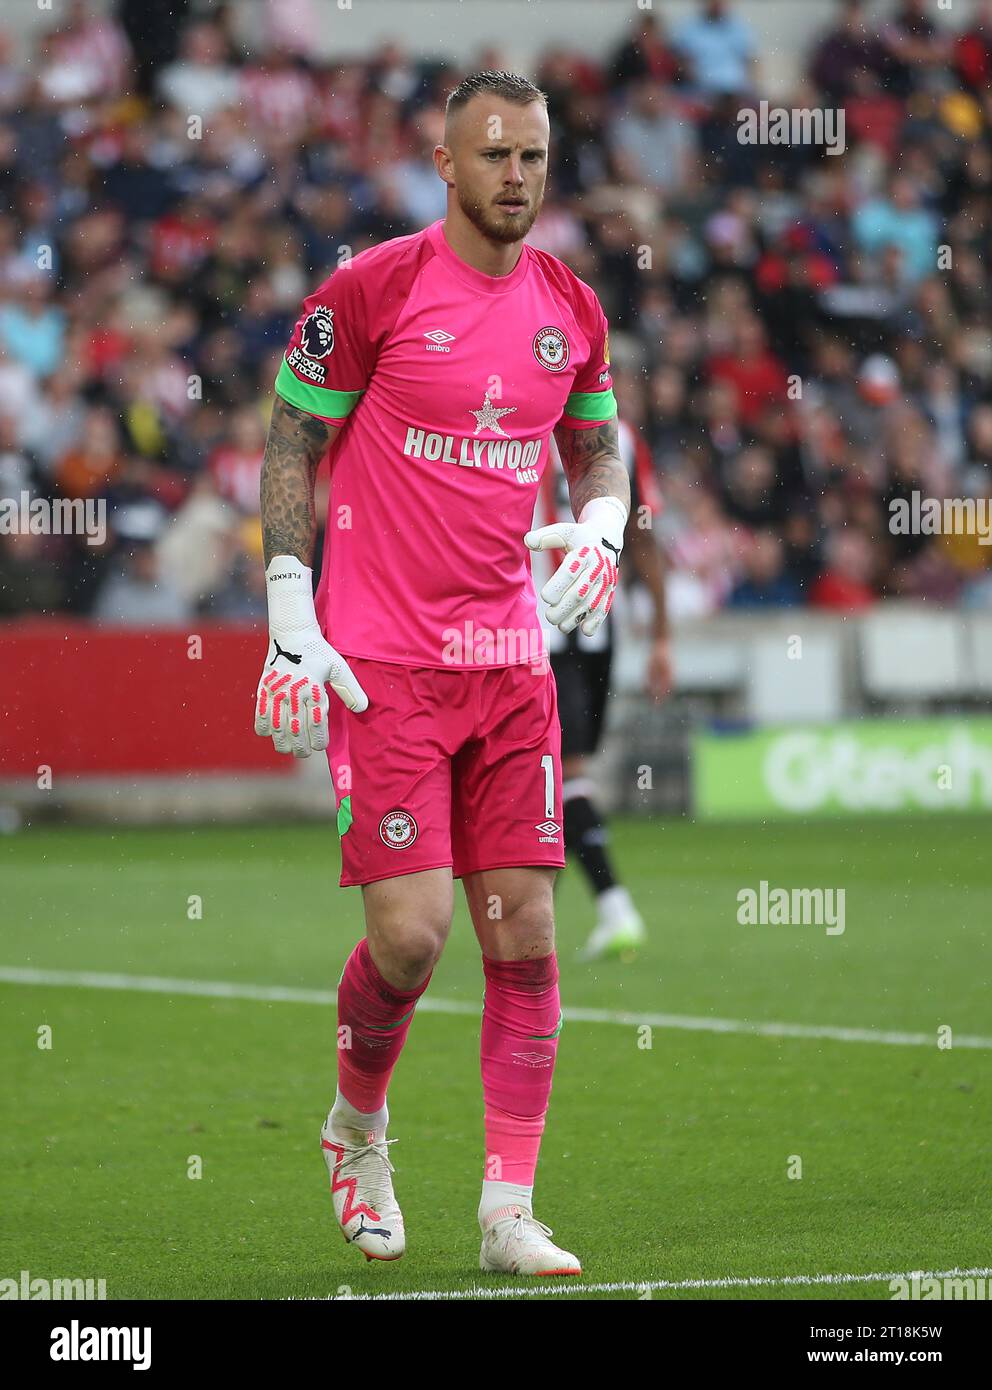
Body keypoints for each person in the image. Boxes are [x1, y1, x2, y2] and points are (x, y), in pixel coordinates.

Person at [253, 71, 629, 1277]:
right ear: (444, 163)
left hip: (509, 663)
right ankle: (356, 1126)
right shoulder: (374, 287)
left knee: (522, 938)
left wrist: (605, 523)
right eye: (493, 154)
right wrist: (283, 602)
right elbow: (291, 433)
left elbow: (594, 441)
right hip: (389, 666)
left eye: (531, 156)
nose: (514, 174)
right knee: (413, 939)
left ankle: (506, 1207)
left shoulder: (568, 306)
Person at [531, 404, 670, 960]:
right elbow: (642, 538)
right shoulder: (622, 435)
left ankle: (614, 909)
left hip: (537, 625)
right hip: (596, 622)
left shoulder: (512, 421)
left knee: (561, 773)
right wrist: (662, 635)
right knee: (560, 774)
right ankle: (539, 924)